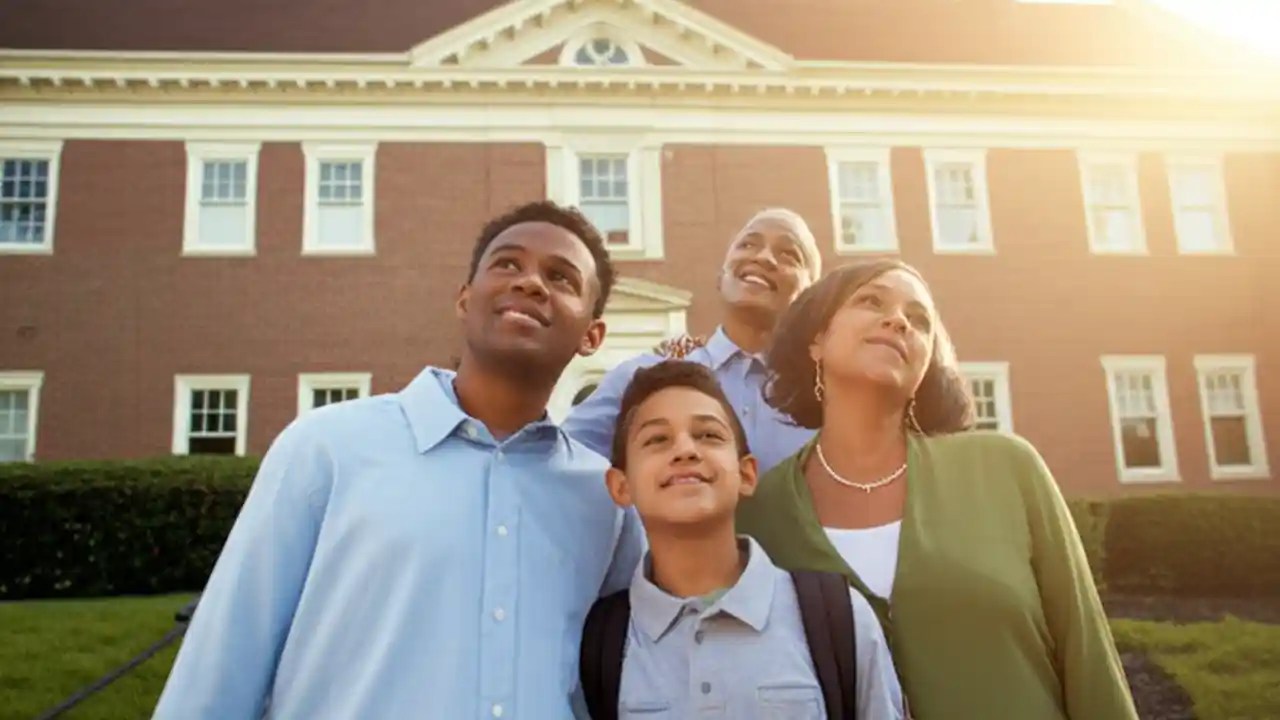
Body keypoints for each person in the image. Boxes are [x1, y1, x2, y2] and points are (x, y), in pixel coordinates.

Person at [154, 201, 645, 719]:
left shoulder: (605, 499)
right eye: (507, 264)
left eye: (561, 277)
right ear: (464, 298)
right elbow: (223, 664)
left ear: (593, 335)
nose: (530, 283)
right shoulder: (328, 448)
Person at [736, 259, 1138, 720]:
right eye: (871, 301)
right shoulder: (758, 515)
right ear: (817, 340)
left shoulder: (1006, 470)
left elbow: (1087, 656)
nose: (899, 320)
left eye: (920, 320)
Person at [581, 360, 903, 720]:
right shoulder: (602, 644)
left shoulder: (836, 617)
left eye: (708, 435)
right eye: (657, 440)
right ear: (621, 486)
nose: (686, 450)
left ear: (747, 474)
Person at [564, 208, 820, 474]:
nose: (763, 257)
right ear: (721, 277)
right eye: (748, 244)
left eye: (788, 254)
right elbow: (560, 463)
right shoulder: (641, 378)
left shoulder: (826, 400)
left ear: (810, 295)